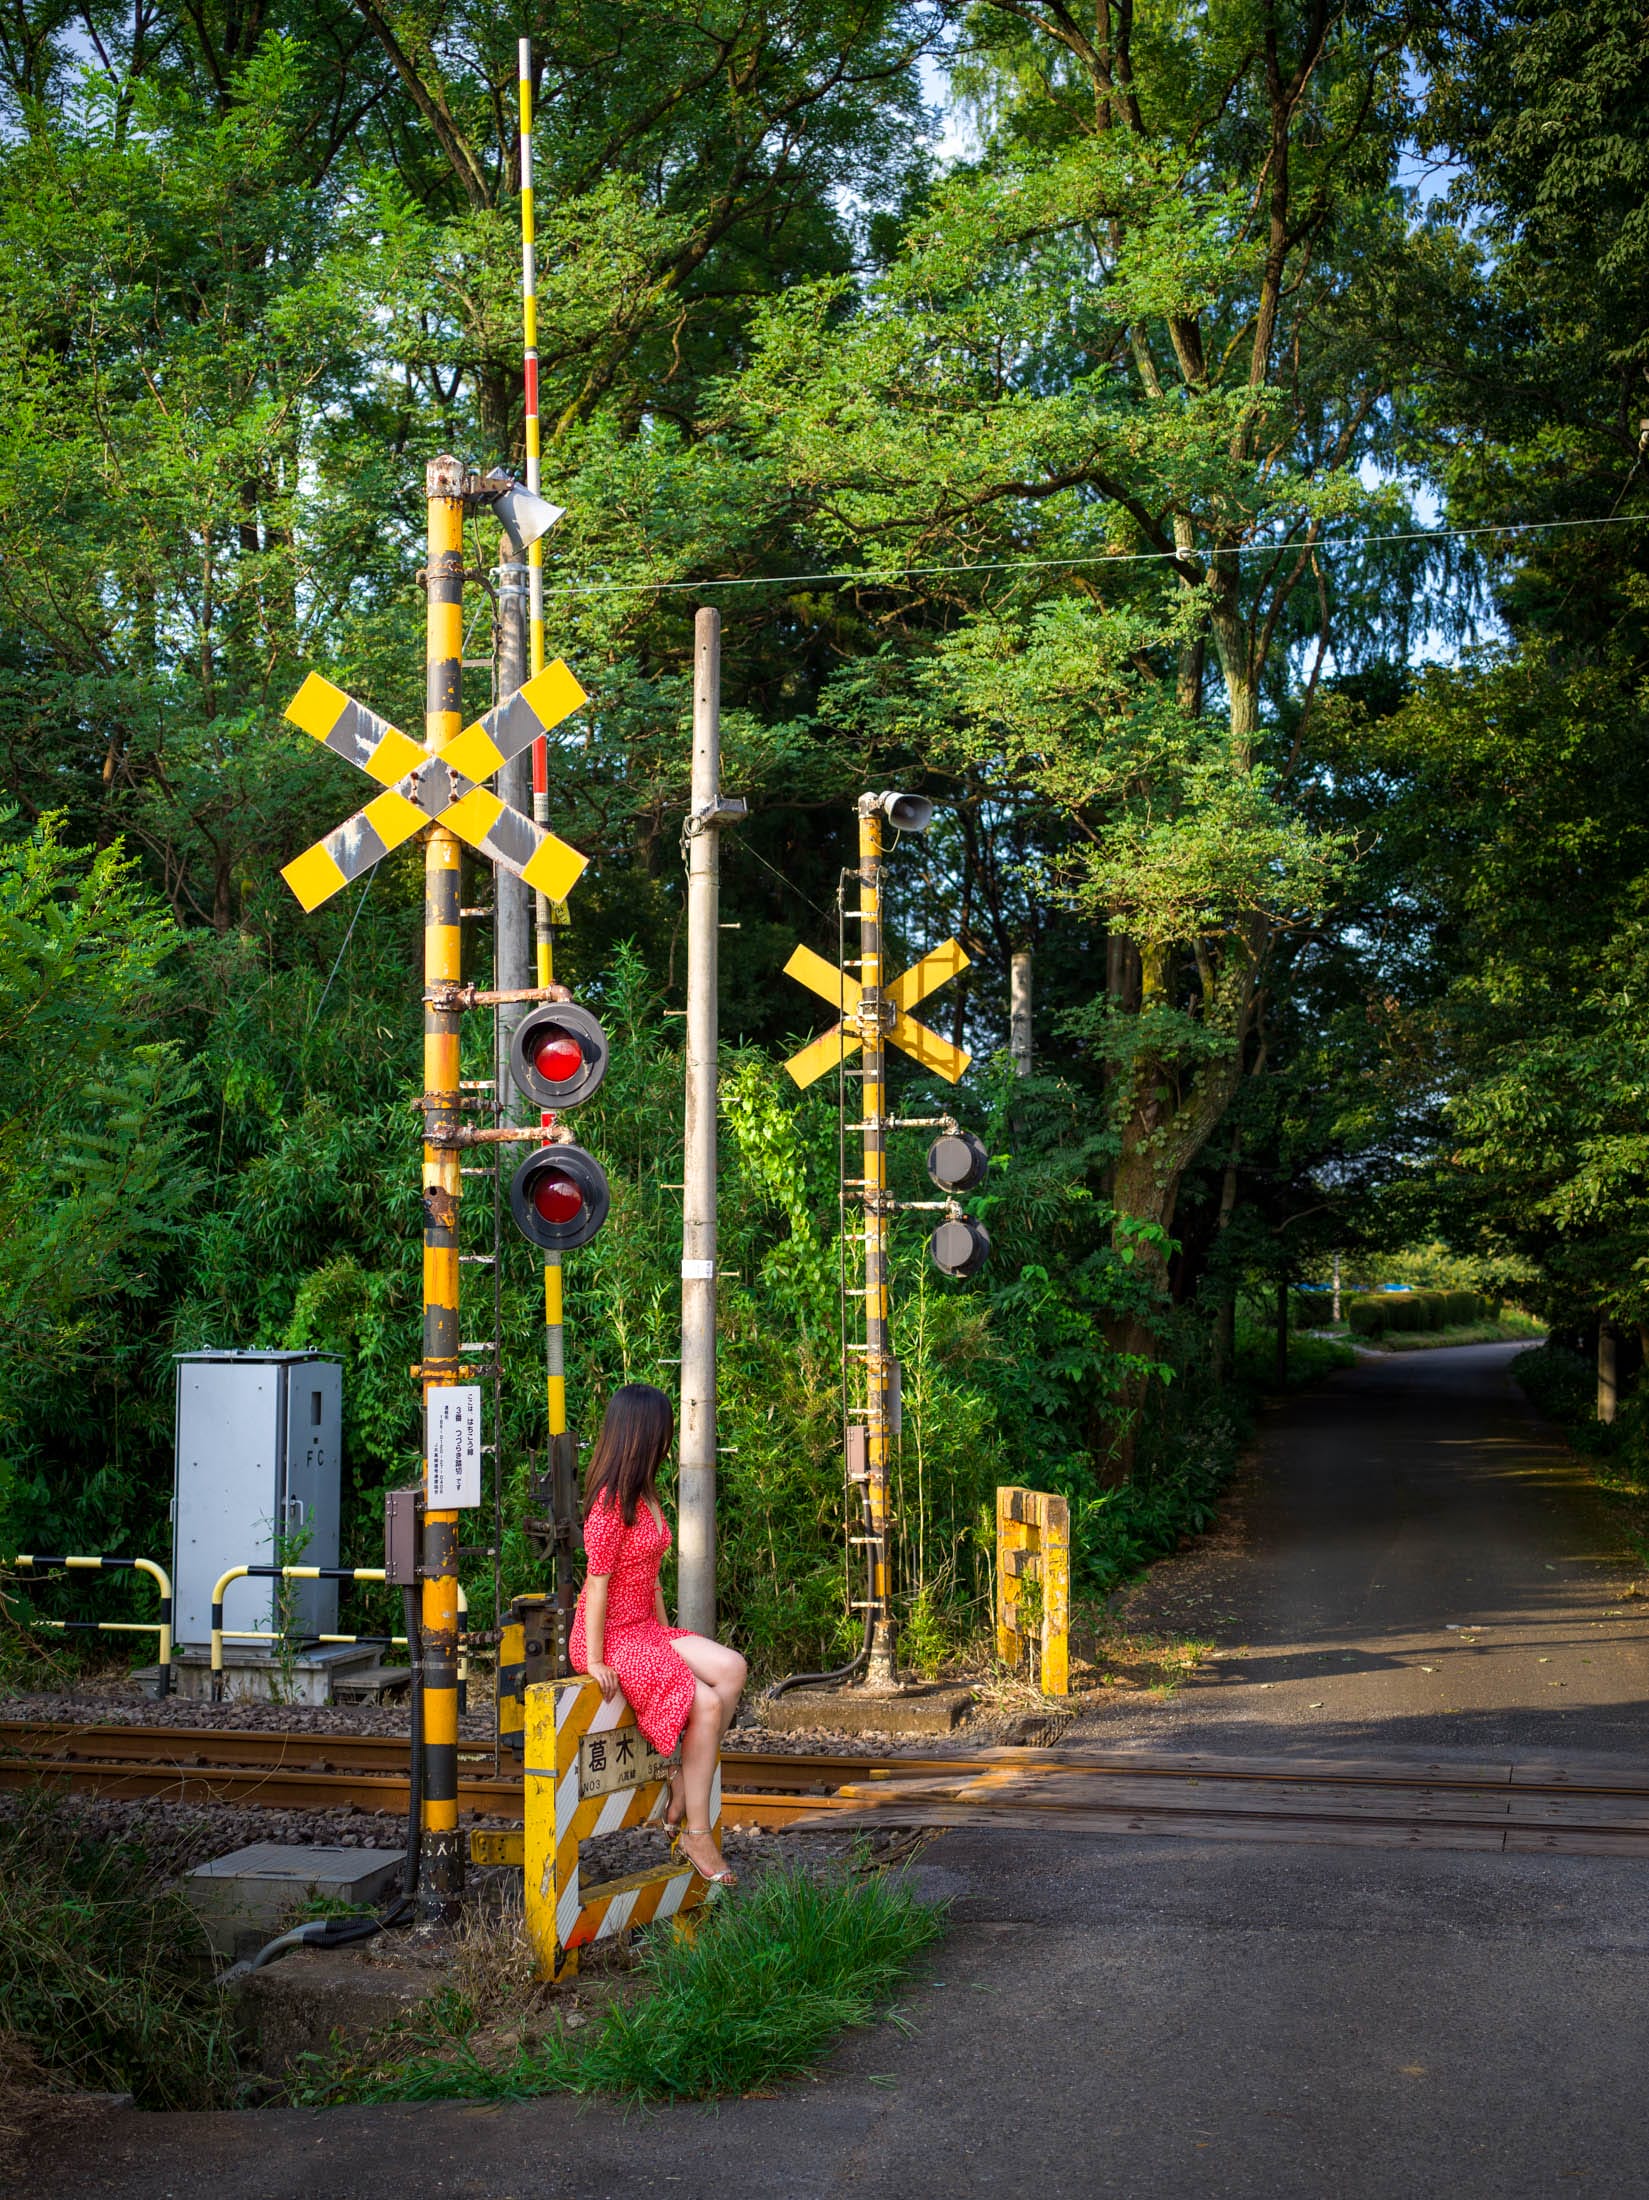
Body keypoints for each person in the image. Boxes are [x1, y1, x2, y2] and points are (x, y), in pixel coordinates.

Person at [570, 1382, 747, 1887]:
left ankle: (679, 1783)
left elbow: (648, 1573)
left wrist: (667, 1635)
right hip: (608, 1636)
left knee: (732, 1669)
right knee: (707, 1706)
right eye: (663, 1432)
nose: (668, 1442)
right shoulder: (608, 1505)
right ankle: (695, 1830)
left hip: (645, 1628)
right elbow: (598, 1586)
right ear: (642, 1435)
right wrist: (597, 1659)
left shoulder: (643, 1493)